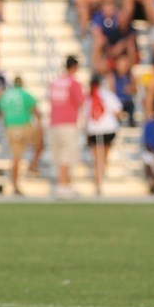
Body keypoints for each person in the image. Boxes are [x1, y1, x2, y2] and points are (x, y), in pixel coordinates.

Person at [0, 76, 42, 195]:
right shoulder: (25, 94)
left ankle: (15, 184)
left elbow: (1, 112)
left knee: (16, 158)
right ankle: (34, 163)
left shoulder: (6, 95)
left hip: (11, 128)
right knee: (41, 140)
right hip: (24, 126)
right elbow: (37, 113)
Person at [48, 55, 85, 199]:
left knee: (59, 155)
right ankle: (63, 185)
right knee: (67, 156)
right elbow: (80, 101)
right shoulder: (74, 83)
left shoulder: (55, 82)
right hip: (68, 122)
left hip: (55, 122)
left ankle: (66, 184)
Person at [85, 74, 123, 196]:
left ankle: (98, 180)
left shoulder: (88, 97)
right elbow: (118, 111)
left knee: (97, 158)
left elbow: (84, 115)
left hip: (94, 130)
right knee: (103, 157)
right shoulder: (107, 95)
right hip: (108, 130)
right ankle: (100, 179)